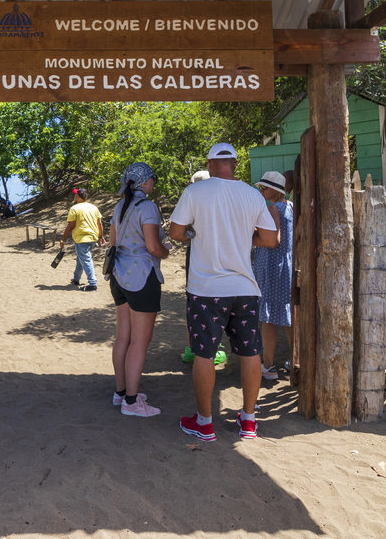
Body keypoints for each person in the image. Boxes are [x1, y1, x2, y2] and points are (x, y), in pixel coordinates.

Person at [169, 143, 278, 441]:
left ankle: (204, 423)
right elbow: (270, 239)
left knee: (204, 354)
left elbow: (176, 232)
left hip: (206, 290)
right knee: (250, 352)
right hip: (244, 288)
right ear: (235, 163)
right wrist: (243, 238)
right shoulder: (252, 195)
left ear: (210, 163)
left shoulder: (195, 193)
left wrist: (196, 233)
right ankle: (249, 421)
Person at [109, 163, 170, 417]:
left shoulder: (119, 206)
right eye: (151, 179)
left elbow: (112, 242)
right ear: (144, 182)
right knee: (140, 342)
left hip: (118, 276)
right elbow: (154, 247)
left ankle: (121, 392)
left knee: (123, 337)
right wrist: (166, 252)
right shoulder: (147, 207)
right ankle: (132, 402)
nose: (153, 183)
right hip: (142, 277)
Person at [179, 169, 228, 366]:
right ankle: (213, 349)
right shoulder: (220, 201)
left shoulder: (189, 199)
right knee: (217, 300)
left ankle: (192, 348)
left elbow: (181, 230)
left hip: (195, 255)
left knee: (193, 299)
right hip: (216, 255)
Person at [252, 171, 293, 381]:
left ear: (275, 190)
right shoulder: (292, 207)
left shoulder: (272, 209)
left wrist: (251, 239)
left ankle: (268, 366)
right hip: (286, 266)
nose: (261, 191)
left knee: (268, 318)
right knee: (287, 316)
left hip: (271, 266)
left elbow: (273, 240)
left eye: (264, 188)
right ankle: (295, 361)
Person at [59, 187, 106, 291]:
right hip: (93, 238)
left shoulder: (74, 208)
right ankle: (76, 278)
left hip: (82, 238)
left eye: (75, 195)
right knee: (81, 259)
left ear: (77, 197)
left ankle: (93, 283)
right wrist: (101, 237)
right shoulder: (94, 208)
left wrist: (63, 239)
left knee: (85, 259)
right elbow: (100, 224)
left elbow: (71, 225)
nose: (74, 197)